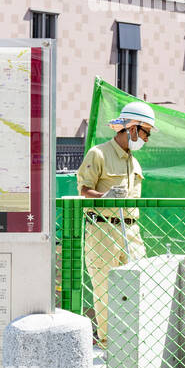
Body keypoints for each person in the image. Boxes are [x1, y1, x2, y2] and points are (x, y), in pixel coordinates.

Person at [76, 100, 155, 345]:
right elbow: (83, 189)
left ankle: (133, 345)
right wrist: (104, 197)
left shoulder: (134, 161)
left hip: (131, 229)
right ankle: (111, 347)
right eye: (145, 132)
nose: (147, 139)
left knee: (141, 284)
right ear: (132, 128)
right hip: (102, 229)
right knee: (105, 291)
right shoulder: (98, 154)